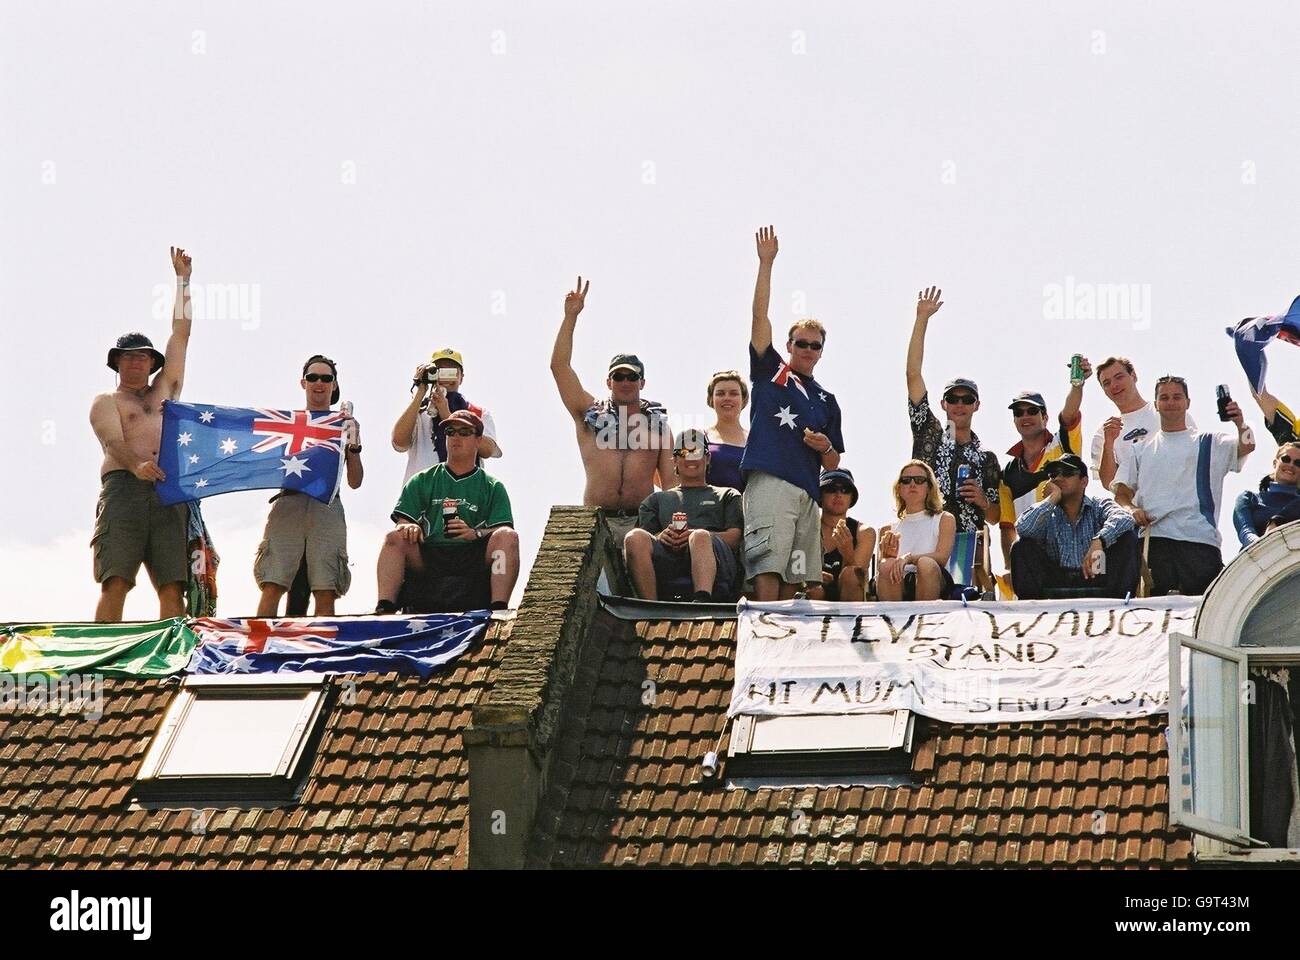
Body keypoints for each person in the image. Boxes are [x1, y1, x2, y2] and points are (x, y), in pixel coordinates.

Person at [89, 246, 195, 622]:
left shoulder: (165, 390)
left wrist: (182, 281)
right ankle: (102, 655)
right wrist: (136, 465)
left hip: (167, 490)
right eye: (129, 356)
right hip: (125, 489)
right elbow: (112, 442)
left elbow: (180, 334)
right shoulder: (107, 400)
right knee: (116, 578)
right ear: (117, 362)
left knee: (172, 584)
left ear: (152, 363)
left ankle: (173, 658)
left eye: (143, 356)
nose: (136, 361)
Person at [742, 225, 845, 601]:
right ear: (788, 345)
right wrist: (766, 263)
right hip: (771, 481)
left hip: (808, 491)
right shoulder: (772, 373)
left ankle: (787, 643)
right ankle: (766, 631)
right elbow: (758, 319)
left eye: (814, 346)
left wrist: (823, 445)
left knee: (798, 575)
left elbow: (834, 460)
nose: (807, 349)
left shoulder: (827, 399)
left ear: (821, 351)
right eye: (800, 343)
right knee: (768, 565)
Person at [550, 276, 674, 542]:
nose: (625, 382)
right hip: (595, 519)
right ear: (609, 382)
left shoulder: (658, 425)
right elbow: (560, 368)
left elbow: (670, 484)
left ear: (642, 382)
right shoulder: (589, 412)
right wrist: (570, 316)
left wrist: (672, 527)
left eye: (632, 377)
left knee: (641, 583)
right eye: (619, 377)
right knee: (592, 585)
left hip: (643, 522)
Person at [1113, 376, 1254, 595]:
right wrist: (1132, 510)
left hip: (1199, 540)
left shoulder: (1211, 441)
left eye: (1177, 397)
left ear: (1188, 402)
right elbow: (1121, 492)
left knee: (1202, 615)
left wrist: (1240, 422)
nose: (1171, 402)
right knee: (1153, 616)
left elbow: (1248, 445)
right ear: (1156, 404)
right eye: (1164, 398)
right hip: (1155, 540)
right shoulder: (1140, 449)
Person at [375, 410, 519, 613]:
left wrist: (474, 533)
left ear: (478, 440)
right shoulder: (422, 479)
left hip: (472, 554)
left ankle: (499, 609)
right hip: (431, 554)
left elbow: (502, 529)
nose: (456, 437)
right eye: (451, 432)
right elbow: (403, 521)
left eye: (464, 432)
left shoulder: (492, 486)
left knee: (507, 537)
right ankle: (385, 608)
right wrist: (410, 526)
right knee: (394, 537)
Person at [253, 355, 364, 617]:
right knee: (273, 583)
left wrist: (354, 446)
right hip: (288, 503)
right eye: (313, 377)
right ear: (303, 383)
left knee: (326, 588)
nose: (319, 383)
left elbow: (355, 481)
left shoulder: (343, 424)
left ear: (334, 385)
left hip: (327, 504)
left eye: (326, 378)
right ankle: (259, 650)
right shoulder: (286, 423)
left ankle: (321, 650)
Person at [905, 286, 1001, 535]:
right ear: (942, 403)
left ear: (976, 406)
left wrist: (982, 500)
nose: (959, 404)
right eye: (953, 398)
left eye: (967, 399)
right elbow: (913, 375)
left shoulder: (986, 458)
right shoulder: (929, 431)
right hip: (925, 534)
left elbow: (995, 517)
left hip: (967, 546)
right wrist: (922, 319)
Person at [623, 429, 743, 602]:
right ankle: (650, 605)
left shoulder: (727, 495)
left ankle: (702, 599)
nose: (691, 458)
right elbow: (645, 538)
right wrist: (662, 536)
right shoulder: (656, 500)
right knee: (634, 536)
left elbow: (735, 538)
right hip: (669, 559)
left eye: (697, 452)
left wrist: (694, 535)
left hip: (716, 563)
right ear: (675, 460)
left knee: (700, 536)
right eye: (684, 452)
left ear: (707, 458)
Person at [998, 363, 1090, 579]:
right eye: (1019, 412)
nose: (1025, 416)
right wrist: (1012, 568)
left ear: (1045, 417)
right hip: (1032, 559)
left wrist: (1077, 386)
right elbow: (1007, 527)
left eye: (1032, 411)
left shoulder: (1063, 444)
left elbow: (1069, 415)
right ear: (1014, 421)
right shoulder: (1008, 472)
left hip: (1072, 551)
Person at [1010, 455, 1139, 599]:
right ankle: (1032, 608)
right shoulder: (1046, 511)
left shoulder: (1099, 505)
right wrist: (1051, 499)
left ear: (1084, 482)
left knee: (1128, 538)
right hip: (1056, 579)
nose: (1058, 478)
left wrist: (1099, 541)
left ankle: (1119, 602)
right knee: (1021, 546)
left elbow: (1125, 518)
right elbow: (1023, 528)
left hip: (1095, 574)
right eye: (1053, 475)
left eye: (1067, 473)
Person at [391, 348, 502, 486]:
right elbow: (398, 442)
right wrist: (420, 391)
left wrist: (447, 416)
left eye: (452, 372)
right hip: (422, 498)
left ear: (461, 377)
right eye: (440, 371)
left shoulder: (477, 413)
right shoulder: (418, 411)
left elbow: (488, 450)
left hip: (465, 496)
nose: (446, 378)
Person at [1090, 356, 1195, 491]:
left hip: (1180, 501)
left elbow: (1194, 454)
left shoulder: (1166, 409)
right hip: (1136, 509)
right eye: (1106, 383)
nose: (1114, 386)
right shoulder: (1104, 433)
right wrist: (1108, 443)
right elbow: (1109, 484)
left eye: (1119, 377)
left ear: (1133, 375)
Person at [876, 461, 956, 602]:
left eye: (919, 480)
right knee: (887, 564)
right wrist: (889, 557)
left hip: (934, 579)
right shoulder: (888, 529)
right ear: (899, 488)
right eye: (906, 481)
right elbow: (881, 570)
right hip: (899, 583)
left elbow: (942, 558)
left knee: (926, 563)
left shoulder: (944, 519)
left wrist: (908, 558)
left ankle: (924, 621)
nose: (912, 484)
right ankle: (893, 621)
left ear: (929, 488)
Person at [808, 469, 875, 602]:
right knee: (814, 589)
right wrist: (811, 576)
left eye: (845, 490)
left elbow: (857, 580)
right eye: (831, 489)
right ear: (820, 495)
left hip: (848, 600)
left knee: (851, 574)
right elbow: (795, 569)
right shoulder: (806, 528)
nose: (838, 494)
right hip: (813, 598)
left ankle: (849, 623)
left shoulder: (864, 532)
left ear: (851, 498)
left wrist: (848, 554)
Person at [1233, 441, 1300, 546]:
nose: (1291, 465)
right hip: (1258, 558)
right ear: (1275, 463)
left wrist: (1276, 522)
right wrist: (1264, 544)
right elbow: (1246, 532)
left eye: (1298, 463)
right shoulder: (1248, 498)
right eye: (1286, 459)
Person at [704, 370, 749, 491]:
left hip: (748, 508)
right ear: (711, 399)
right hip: (709, 509)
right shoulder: (699, 438)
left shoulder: (756, 440)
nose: (727, 398)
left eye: (733, 394)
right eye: (720, 394)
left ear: (744, 400)